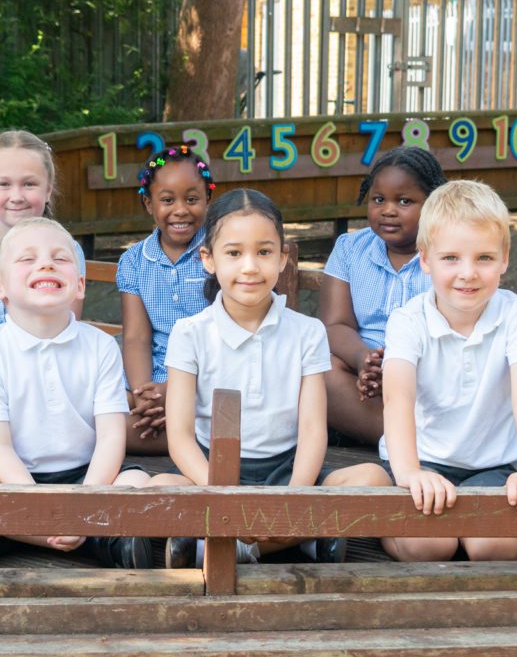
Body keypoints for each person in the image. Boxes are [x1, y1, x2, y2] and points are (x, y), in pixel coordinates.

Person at [149, 189, 390, 568]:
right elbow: (179, 436)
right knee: (157, 490)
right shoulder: (190, 332)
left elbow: (312, 430)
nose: (250, 267)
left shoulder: (307, 331)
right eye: (234, 253)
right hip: (211, 473)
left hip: (286, 471)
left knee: (373, 478)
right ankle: (302, 538)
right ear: (208, 259)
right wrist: (224, 495)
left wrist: (292, 497)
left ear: (282, 258)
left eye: (263, 252)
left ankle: (233, 546)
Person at [0, 217, 152, 569]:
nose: (46, 264)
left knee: (137, 481)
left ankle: (8, 534)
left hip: (85, 476)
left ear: (80, 284)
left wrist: (84, 506)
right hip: (12, 478)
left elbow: (110, 438)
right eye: (28, 259)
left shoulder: (101, 346)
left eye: (60, 258)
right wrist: (40, 510)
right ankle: (91, 539)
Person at [379, 179, 517, 563]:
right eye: (451, 258)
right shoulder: (408, 320)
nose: (468, 273)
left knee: (492, 548)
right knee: (429, 547)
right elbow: (398, 398)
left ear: (504, 259)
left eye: (484, 258)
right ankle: (385, 536)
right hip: (423, 459)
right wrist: (409, 472)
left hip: (493, 464)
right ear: (425, 260)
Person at [0, 130, 85, 446]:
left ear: (48, 188)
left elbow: (64, 329)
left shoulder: (66, 252)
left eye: (29, 184)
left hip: (43, 369)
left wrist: (15, 380)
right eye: (4, 184)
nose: (17, 195)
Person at [320, 146, 447, 446]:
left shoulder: (447, 253)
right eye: (379, 199)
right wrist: (364, 360)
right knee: (320, 372)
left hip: (428, 373)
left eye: (404, 201)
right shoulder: (350, 249)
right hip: (364, 376)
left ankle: (407, 440)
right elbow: (334, 325)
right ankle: (420, 442)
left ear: (432, 203)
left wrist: (398, 368)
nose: (388, 210)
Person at [116, 143, 216, 455]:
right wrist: (143, 394)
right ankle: (179, 433)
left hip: (209, 379)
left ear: (208, 199)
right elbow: (136, 337)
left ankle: (188, 434)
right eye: (168, 200)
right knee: (110, 427)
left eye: (192, 199)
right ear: (149, 204)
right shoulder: (134, 261)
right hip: (156, 382)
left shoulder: (219, 252)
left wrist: (174, 393)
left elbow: (225, 340)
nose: (181, 210)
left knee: (220, 414)